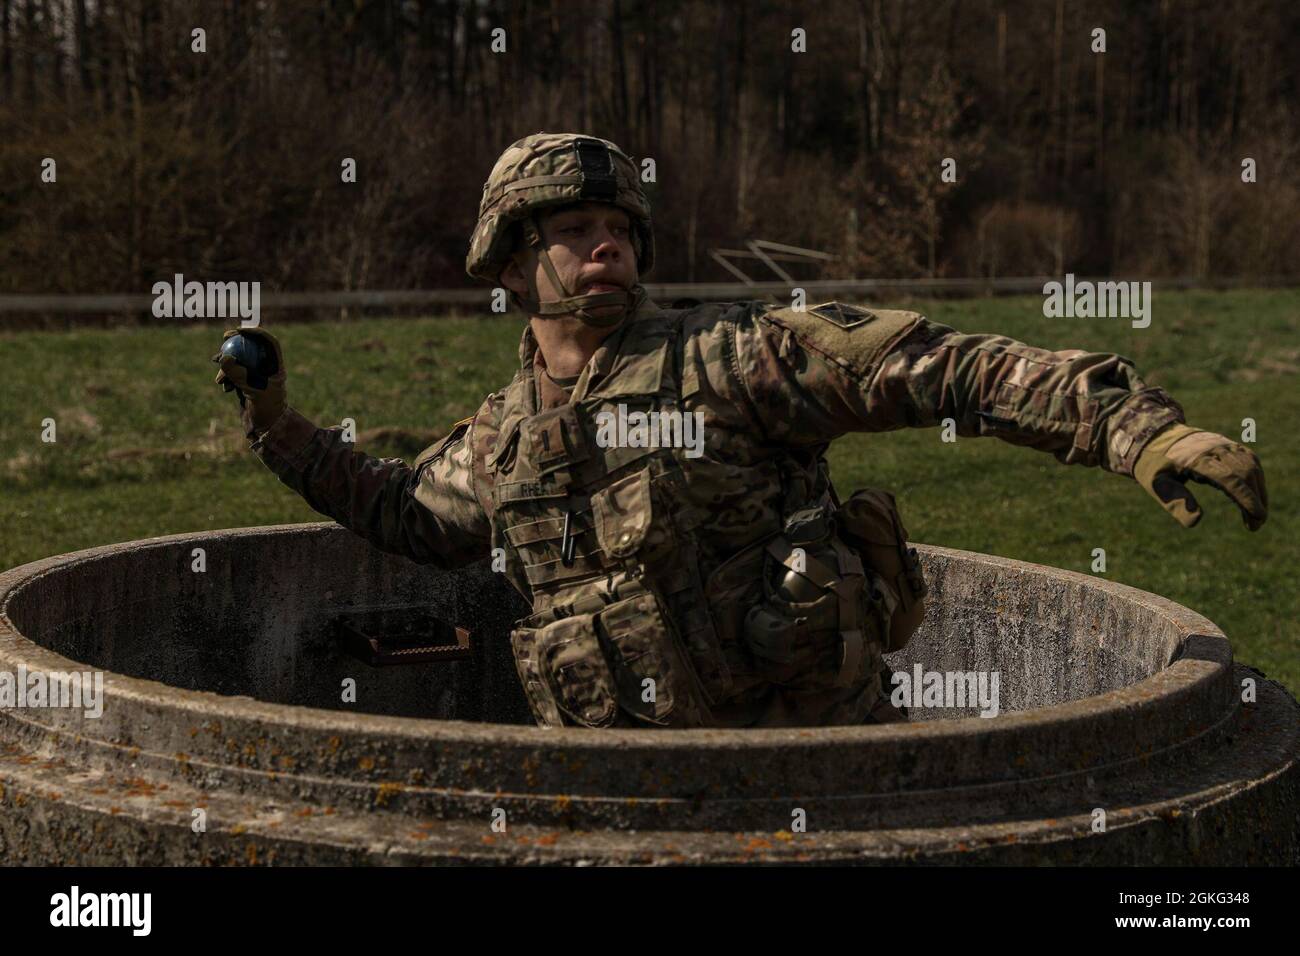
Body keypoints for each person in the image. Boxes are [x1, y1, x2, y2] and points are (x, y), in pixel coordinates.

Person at [213, 132, 1267, 730]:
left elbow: (945, 367)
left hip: (822, 777)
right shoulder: (503, 439)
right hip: (632, 803)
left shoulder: (734, 357)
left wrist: (1134, 428)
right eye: (575, 231)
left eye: (621, 229)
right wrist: (275, 426)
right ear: (508, 266)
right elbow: (401, 507)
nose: (606, 248)